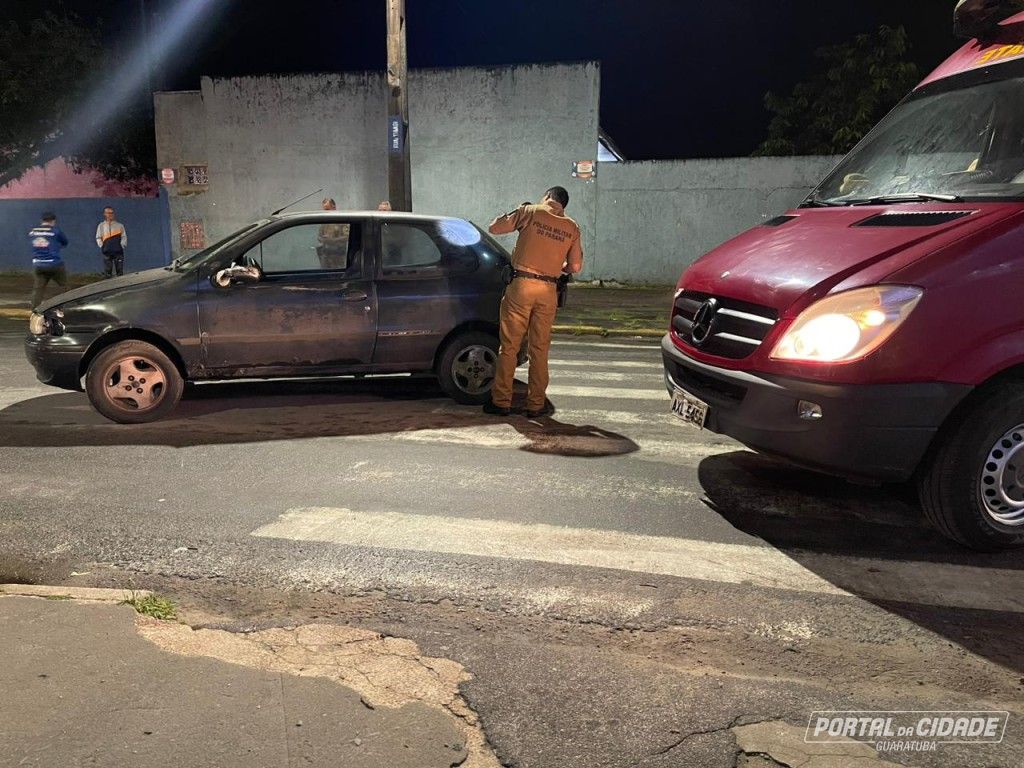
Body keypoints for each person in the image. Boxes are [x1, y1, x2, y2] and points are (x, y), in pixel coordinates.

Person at [484, 186, 583, 418]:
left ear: (547, 197)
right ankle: (535, 405)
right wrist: (557, 266)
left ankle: (501, 402)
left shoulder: (530, 211)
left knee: (509, 346)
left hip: (522, 286)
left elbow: (494, 228)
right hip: (548, 290)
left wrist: (517, 211)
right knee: (539, 349)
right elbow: (575, 267)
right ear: (563, 205)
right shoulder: (572, 227)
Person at [29, 212, 69, 309]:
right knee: (63, 286)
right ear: (53, 221)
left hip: (38, 265)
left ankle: (35, 310)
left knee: (38, 289)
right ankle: (64, 307)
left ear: (42, 221)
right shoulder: (56, 231)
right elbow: (65, 242)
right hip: (54, 264)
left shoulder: (33, 231)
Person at [95, 206, 127, 277]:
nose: (110, 215)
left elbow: (124, 237)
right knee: (107, 273)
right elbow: (98, 237)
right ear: (104, 214)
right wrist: (102, 246)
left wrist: (122, 245)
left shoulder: (120, 226)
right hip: (107, 252)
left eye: (111, 213)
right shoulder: (101, 226)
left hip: (118, 252)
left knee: (120, 273)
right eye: (108, 213)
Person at [317, 197, 350, 269]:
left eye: (327, 209)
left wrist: (333, 240)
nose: (326, 212)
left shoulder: (341, 221)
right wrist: (323, 239)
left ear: (334, 207)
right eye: (324, 210)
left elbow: (347, 237)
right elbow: (319, 236)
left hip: (338, 256)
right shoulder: (324, 222)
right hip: (326, 255)